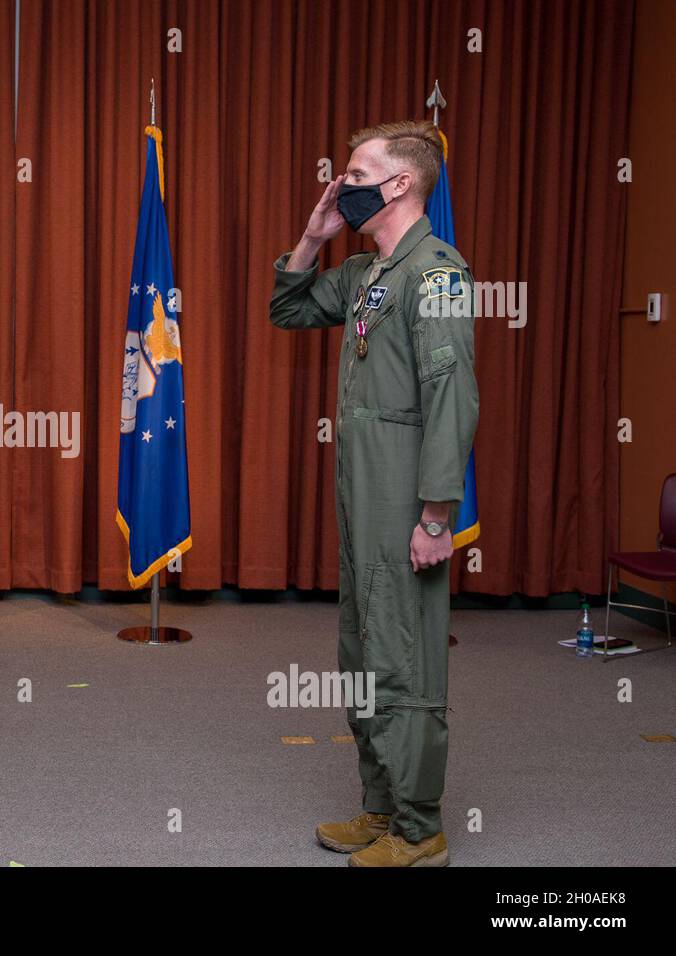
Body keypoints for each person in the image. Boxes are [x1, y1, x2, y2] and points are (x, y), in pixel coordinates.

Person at [269, 120, 478, 867]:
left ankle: (421, 831)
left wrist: (434, 514)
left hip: (403, 487)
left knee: (405, 656)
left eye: (356, 174)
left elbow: (453, 396)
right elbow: (289, 308)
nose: (341, 184)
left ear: (399, 184)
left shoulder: (437, 272)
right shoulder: (368, 273)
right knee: (362, 646)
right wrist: (313, 234)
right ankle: (381, 804)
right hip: (359, 486)